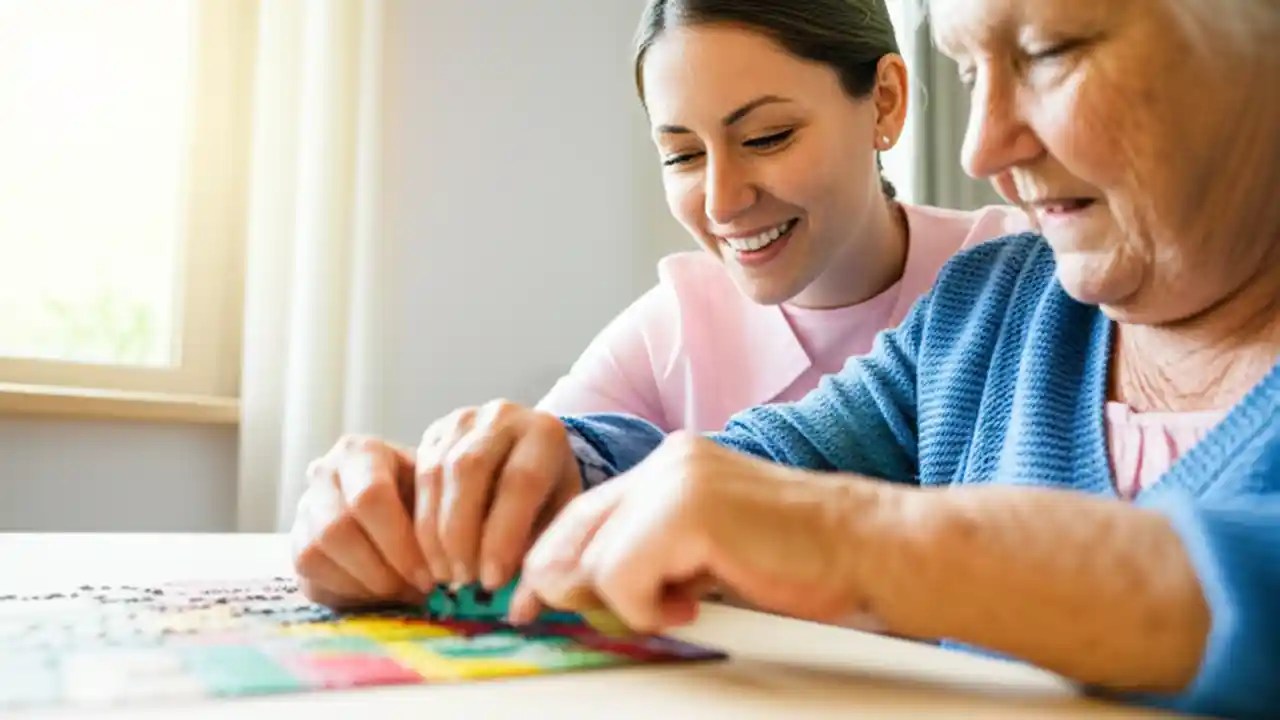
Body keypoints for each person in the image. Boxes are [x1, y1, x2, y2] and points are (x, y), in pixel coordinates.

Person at [291, 0, 1280, 716]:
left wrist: (863, 543)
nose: (981, 144)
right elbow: (754, 466)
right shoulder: (989, 309)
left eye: (1054, 48)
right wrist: (510, 487)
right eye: (971, 71)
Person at [536, 0, 1024, 432]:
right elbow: (538, 470)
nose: (720, 203)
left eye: (766, 137)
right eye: (683, 155)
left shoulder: (1032, 275)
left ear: (884, 101)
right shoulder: (669, 337)